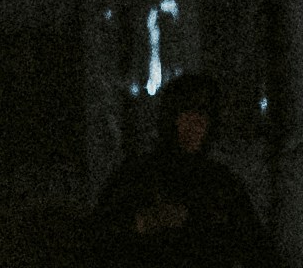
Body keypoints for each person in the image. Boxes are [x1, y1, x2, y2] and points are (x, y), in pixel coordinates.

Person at [84, 70, 269, 268]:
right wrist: (145, 222)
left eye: (202, 115)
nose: (194, 124)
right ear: (171, 117)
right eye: (186, 113)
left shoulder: (221, 184)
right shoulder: (138, 175)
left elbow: (254, 246)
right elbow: (98, 237)